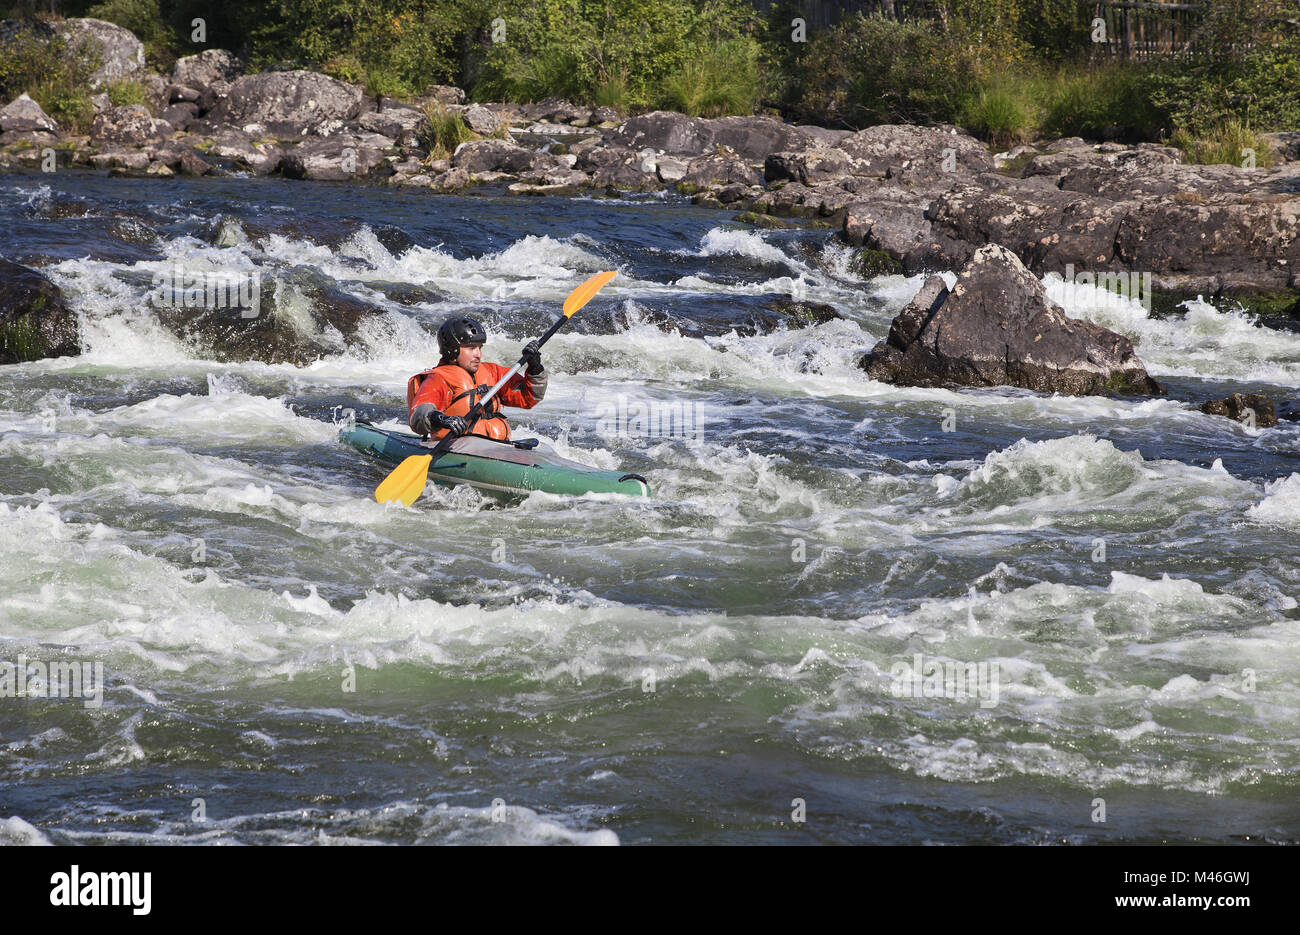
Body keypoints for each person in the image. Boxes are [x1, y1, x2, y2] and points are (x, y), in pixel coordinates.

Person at [406, 316, 546, 441]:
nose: (478, 354)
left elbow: (529, 399)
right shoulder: (439, 379)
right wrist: (442, 419)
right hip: (456, 447)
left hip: (498, 446)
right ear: (453, 348)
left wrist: (535, 368)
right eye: (471, 348)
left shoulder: (492, 371)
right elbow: (419, 415)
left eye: (480, 347)